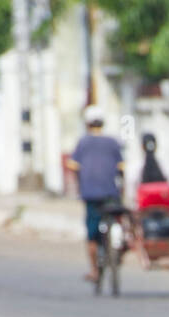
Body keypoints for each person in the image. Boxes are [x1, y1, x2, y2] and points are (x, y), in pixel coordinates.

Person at [66, 105, 124, 282]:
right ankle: (117, 248)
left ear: (87, 124)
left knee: (91, 233)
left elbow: (73, 166)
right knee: (117, 220)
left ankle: (94, 271)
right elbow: (121, 169)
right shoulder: (112, 142)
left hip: (90, 195)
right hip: (111, 194)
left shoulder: (83, 142)